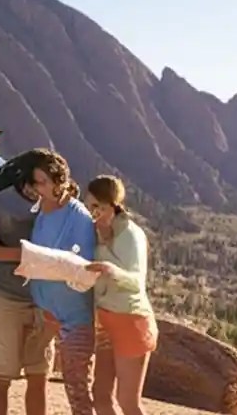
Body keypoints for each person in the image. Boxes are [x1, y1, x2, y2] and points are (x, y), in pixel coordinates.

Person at [0, 150, 53, 415]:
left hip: (41, 298)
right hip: (3, 295)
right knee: (1, 378)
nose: (42, 189)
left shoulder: (55, 203)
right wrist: (21, 255)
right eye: (38, 182)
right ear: (25, 180)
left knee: (39, 377)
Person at [26, 149, 97, 415]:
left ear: (59, 182)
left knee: (79, 389)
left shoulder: (77, 217)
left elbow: (84, 268)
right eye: (35, 183)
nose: (38, 188)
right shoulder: (43, 214)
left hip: (75, 319)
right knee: (73, 386)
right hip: (51, 315)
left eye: (43, 182)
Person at [83, 175, 157, 415]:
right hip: (105, 320)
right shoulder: (97, 232)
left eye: (98, 207)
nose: (93, 212)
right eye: (89, 206)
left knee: (128, 401)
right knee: (101, 396)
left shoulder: (130, 234)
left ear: (112, 205)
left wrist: (111, 270)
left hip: (130, 319)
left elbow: (136, 282)